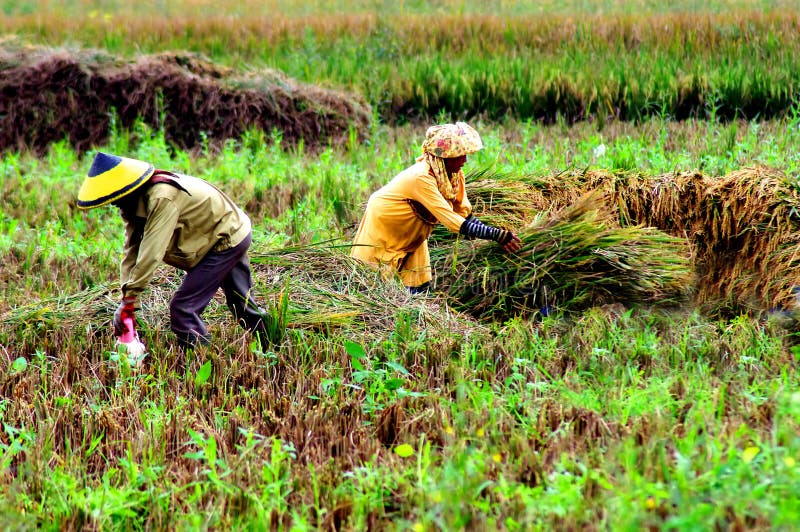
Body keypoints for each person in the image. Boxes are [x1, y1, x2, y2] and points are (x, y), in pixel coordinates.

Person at [77, 152, 269, 351]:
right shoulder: (132, 203)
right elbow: (132, 249)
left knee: (183, 309)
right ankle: (273, 342)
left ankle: (203, 364)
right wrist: (127, 302)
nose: (114, 204)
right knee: (243, 305)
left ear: (126, 190)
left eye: (115, 199)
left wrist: (131, 298)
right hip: (225, 231)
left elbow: (152, 252)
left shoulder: (162, 198)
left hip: (226, 238)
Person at [350, 122, 522, 293]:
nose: (465, 160)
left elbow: (464, 215)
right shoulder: (421, 177)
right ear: (445, 156)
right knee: (370, 284)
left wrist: (499, 235)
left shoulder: (454, 177)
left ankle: (416, 314)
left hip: (414, 231)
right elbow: (453, 222)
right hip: (385, 225)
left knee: (418, 284)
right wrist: (497, 236)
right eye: (460, 155)